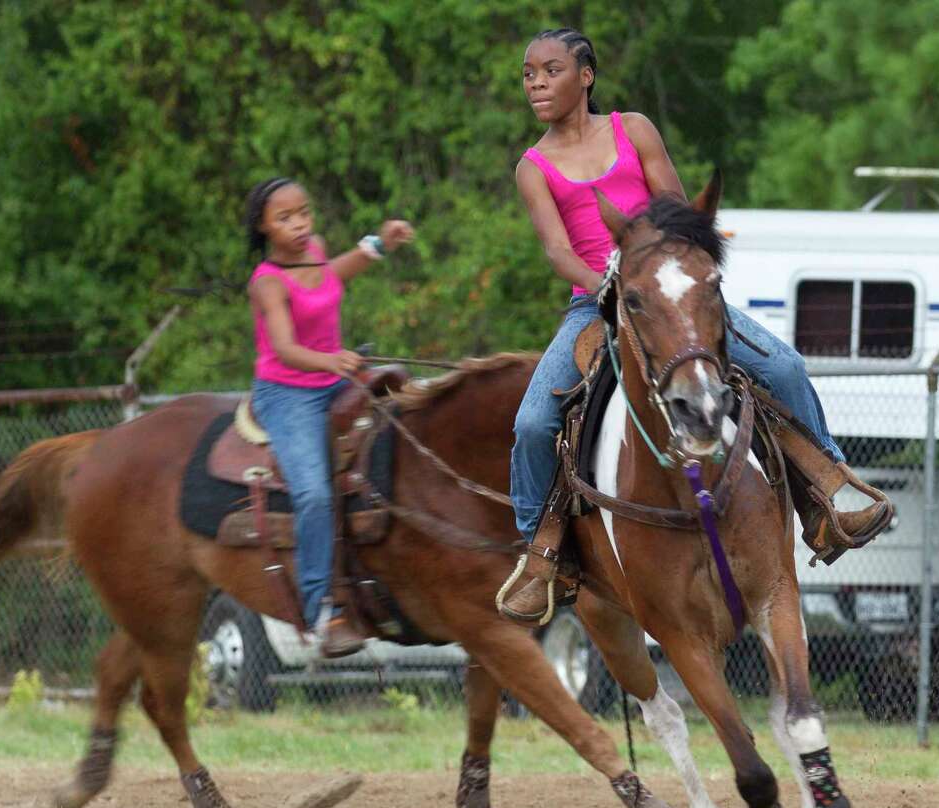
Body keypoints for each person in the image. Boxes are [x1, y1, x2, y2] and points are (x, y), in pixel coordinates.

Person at [498, 28, 889, 622]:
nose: (536, 83)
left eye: (550, 70)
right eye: (528, 74)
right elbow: (557, 251)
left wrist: (663, 271)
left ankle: (830, 489)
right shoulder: (533, 166)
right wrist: (606, 284)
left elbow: (679, 213)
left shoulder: (634, 129)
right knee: (531, 423)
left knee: (782, 365)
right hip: (595, 303)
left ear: (586, 75)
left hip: (670, 295)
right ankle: (541, 551)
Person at [245, 176, 414, 655]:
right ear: (262, 226)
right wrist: (332, 360)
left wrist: (379, 244)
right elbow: (284, 348)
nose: (299, 224)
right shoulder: (265, 283)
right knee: (315, 496)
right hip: (289, 395)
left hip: (336, 378)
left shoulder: (314, 249)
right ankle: (319, 608)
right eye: (285, 218)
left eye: (304, 213)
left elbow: (330, 275)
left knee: (411, 415)